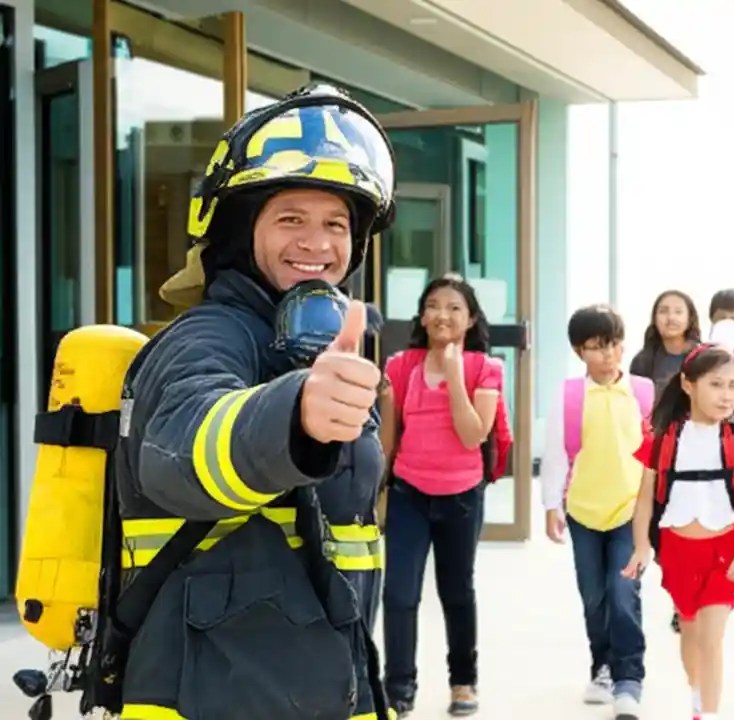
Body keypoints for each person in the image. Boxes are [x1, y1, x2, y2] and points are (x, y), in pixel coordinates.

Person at [111, 84, 395, 719]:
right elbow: (181, 446)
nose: (317, 244)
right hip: (209, 694)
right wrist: (293, 417)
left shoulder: (313, 344)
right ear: (243, 231)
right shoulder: (208, 336)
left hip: (315, 682)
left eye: (336, 224)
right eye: (290, 219)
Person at [623, 344, 734, 720]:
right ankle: (697, 695)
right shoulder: (661, 442)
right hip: (677, 550)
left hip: (726, 549)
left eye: (733, 386)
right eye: (716, 384)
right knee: (689, 629)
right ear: (688, 386)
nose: (726, 394)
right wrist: (641, 546)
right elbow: (643, 502)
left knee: (711, 637)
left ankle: (709, 713)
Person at [380, 275, 503, 716]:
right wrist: (379, 492)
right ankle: (398, 687)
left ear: (470, 319)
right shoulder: (400, 365)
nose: (442, 315)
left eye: (454, 307)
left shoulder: (484, 368)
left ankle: (463, 682)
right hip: (409, 493)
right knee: (398, 594)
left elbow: (474, 434)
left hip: (461, 496)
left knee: (456, 592)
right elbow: (389, 438)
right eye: (433, 305)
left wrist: (452, 373)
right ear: (422, 315)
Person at [541, 304, 654, 720]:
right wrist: (552, 504)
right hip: (583, 510)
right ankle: (602, 665)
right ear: (578, 351)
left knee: (624, 593)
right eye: (595, 347)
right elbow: (555, 453)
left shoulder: (642, 392)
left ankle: (629, 677)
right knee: (594, 597)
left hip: (629, 510)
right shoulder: (570, 394)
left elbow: (654, 456)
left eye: (613, 345)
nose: (607, 355)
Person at [630, 289, 701, 399]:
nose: (671, 318)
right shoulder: (642, 361)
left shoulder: (702, 357)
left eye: (678, 312)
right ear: (654, 318)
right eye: (663, 311)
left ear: (690, 318)